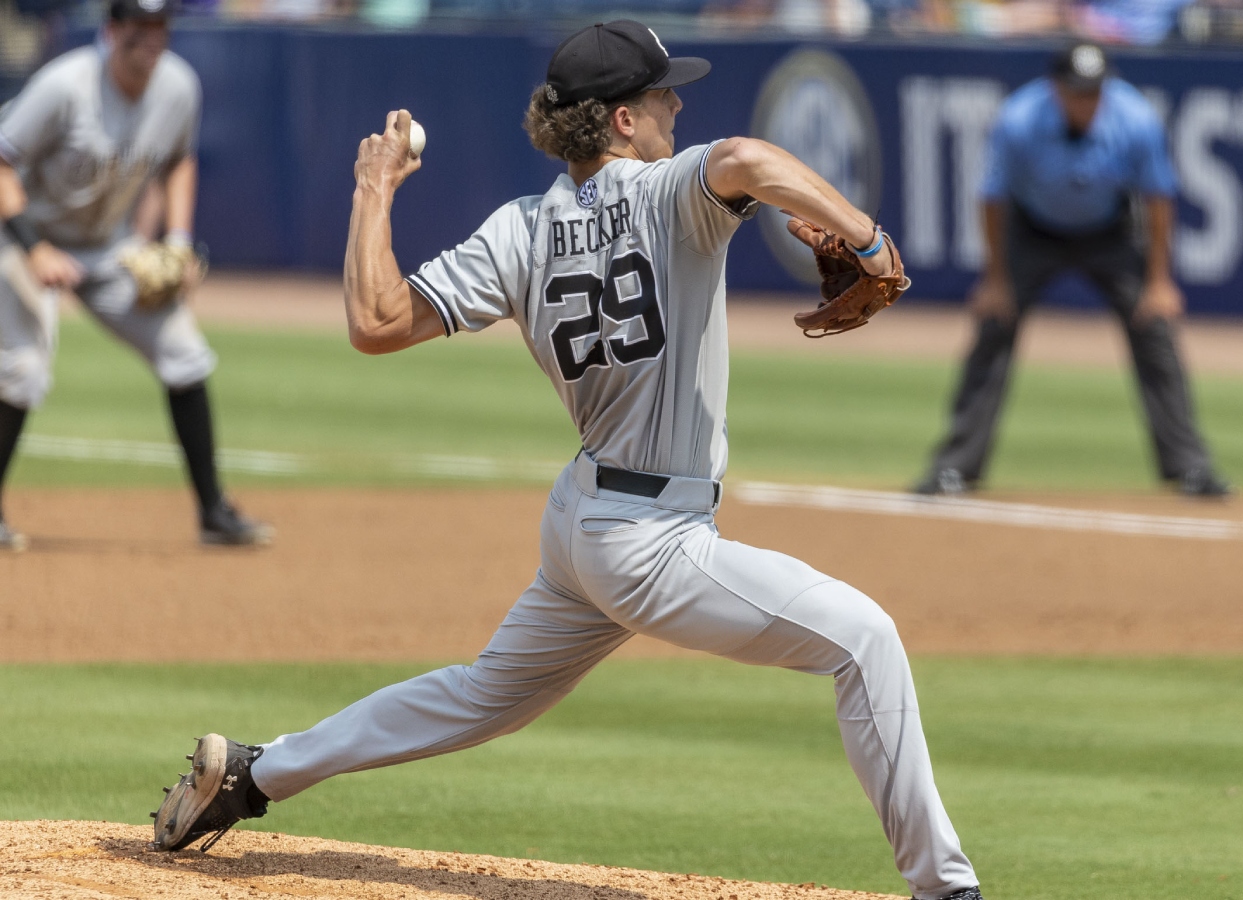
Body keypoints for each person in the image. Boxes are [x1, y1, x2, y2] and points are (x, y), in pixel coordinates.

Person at [148, 20, 982, 900]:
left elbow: (376, 321)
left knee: (476, 698)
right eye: (663, 93)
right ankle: (947, 889)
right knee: (865, 641)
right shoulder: (671, 193)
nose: (676, 103)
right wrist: (864, 235)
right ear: (622, 120)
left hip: (581, 523)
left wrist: (373, 190)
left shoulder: (519, 228)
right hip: (651, 540)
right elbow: (742, 156)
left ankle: (257, 772)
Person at [0, 0, 272, 549]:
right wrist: (34, 248)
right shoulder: (66, 85)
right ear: (112, 30)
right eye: (139, 25)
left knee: (184, 351)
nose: (151, 37)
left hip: (106, 249)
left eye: (160, 25)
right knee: (23, 368)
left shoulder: (178, 87)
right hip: (25, 236)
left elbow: (179, 160)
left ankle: (213, 512)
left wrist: (175, 241)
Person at [912, 39, 1230, 499]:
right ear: (1055, 89)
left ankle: (1191, 468)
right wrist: (996, 279)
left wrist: (1159, 282)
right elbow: (993, 198)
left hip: (1111, 231)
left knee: (1154, 329)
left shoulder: (1135, 118)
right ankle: (955, 467)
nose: (1088, 102)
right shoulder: (1019, 119)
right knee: (993, 328)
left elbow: (1159, 198)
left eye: (1095, 91)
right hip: (1033, 229)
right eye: (1078, 92)